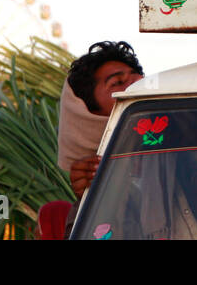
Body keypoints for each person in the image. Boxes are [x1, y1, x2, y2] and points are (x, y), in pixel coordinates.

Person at [59, 41, 144, 200]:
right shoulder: (87, 181)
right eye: (118, 82)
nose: (137, 83)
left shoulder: (181, 137)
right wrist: (89, 201)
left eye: (138, 77)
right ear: (89, 115)